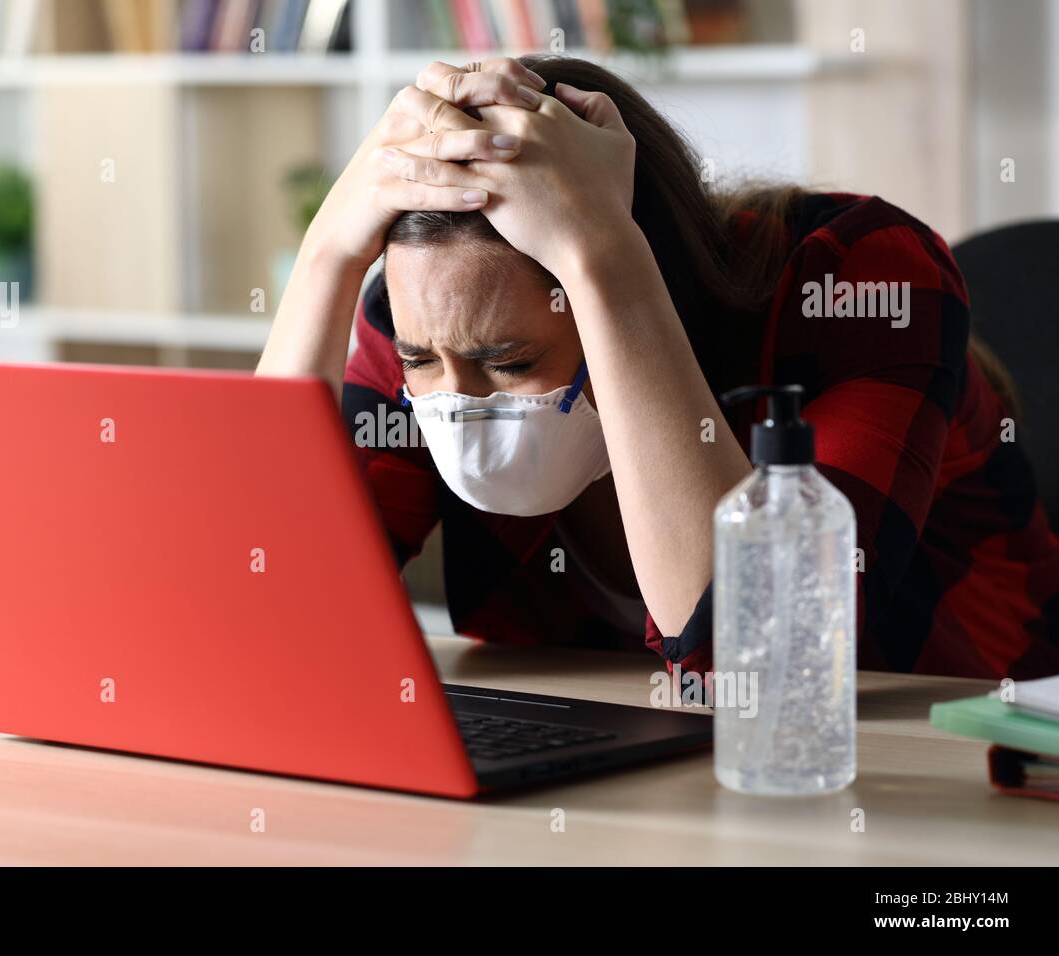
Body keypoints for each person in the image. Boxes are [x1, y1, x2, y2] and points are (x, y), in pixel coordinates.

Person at [257, 55, 1059, 680]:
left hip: (955, 769)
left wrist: (602, 259)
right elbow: (255, 599)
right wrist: (328, 255)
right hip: (629, 779)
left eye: (509, 361)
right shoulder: (428, 318)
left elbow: (758, 665)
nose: (455, 402)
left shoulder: (860, 277)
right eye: (420, 362)